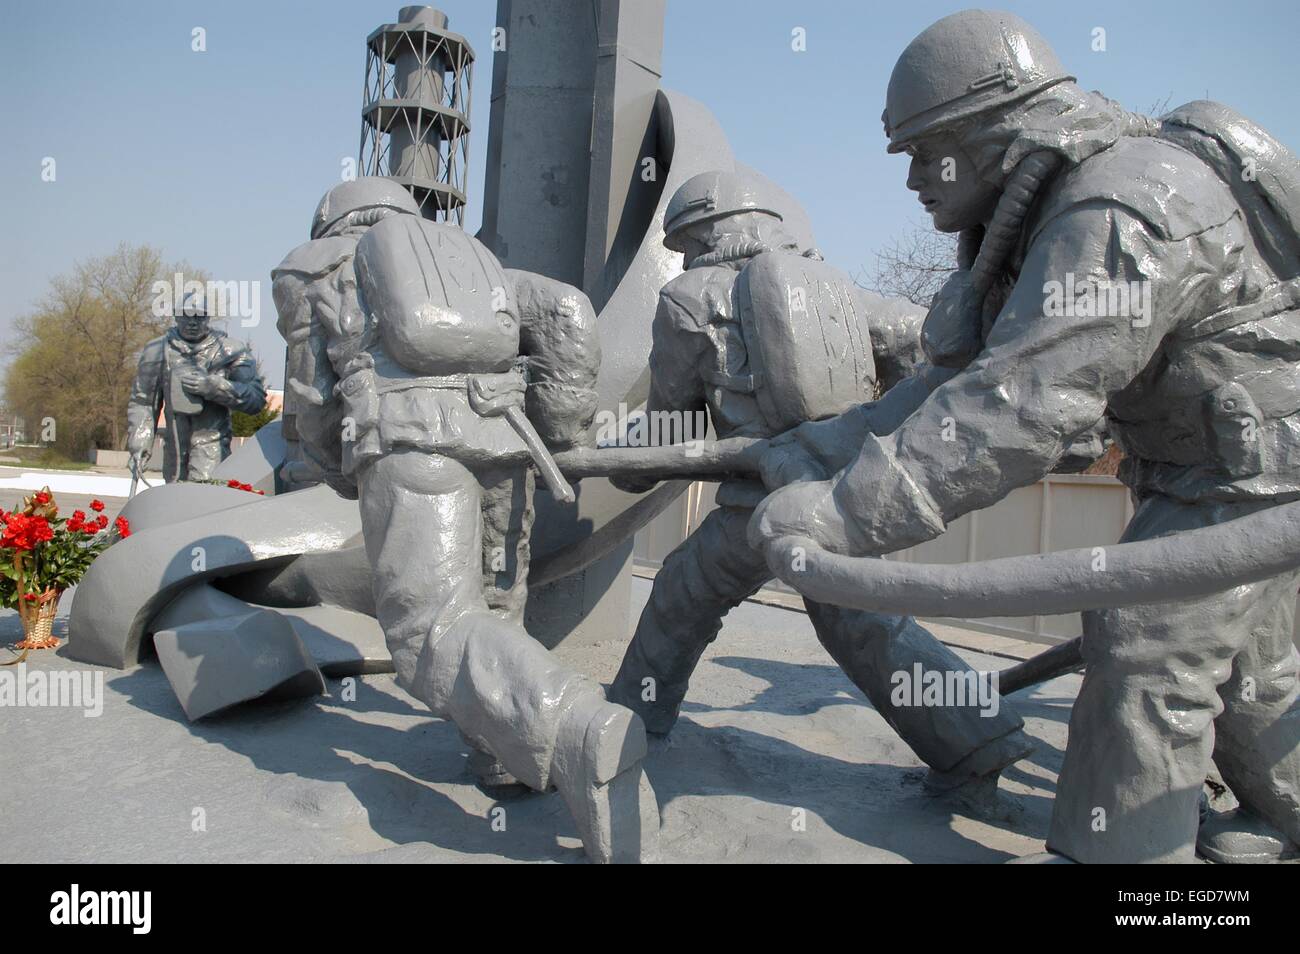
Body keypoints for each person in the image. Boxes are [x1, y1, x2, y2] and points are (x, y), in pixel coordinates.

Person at [752, 9, 1300, 863]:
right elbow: (959, 383)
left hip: (1244, 479)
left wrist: (834, 521)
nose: (912, 184)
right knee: (1256, 675)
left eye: (924, 152)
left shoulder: (1117, 209)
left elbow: (1018, 408)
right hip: (1229, 470)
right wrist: (816, 457)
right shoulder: (1044, 206)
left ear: (990, 132)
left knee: (1147, 643)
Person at [608, 169, 1034, 798]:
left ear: (704, 232)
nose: (685, 257)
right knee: (864, 618)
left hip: (758, 497)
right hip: (837, 492)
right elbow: (930, 354)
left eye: (686, 244)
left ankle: (627, 721)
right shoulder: (839, 289)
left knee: (682, 593)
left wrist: (621, 462)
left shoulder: (690, 298)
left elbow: (672, 414)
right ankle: (977, 736)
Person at [126, 290, 266, 482]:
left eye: (199, 316)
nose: (192, 322)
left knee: (203, 499)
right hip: (174, 450)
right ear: (176, 316)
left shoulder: (229, 350)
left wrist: (215, 387)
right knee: (175, 501)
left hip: (212, 447)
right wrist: (139, 442)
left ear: (207, 318)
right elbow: (144, 402)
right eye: (186, 315)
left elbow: (256, 399)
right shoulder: (157, 350)